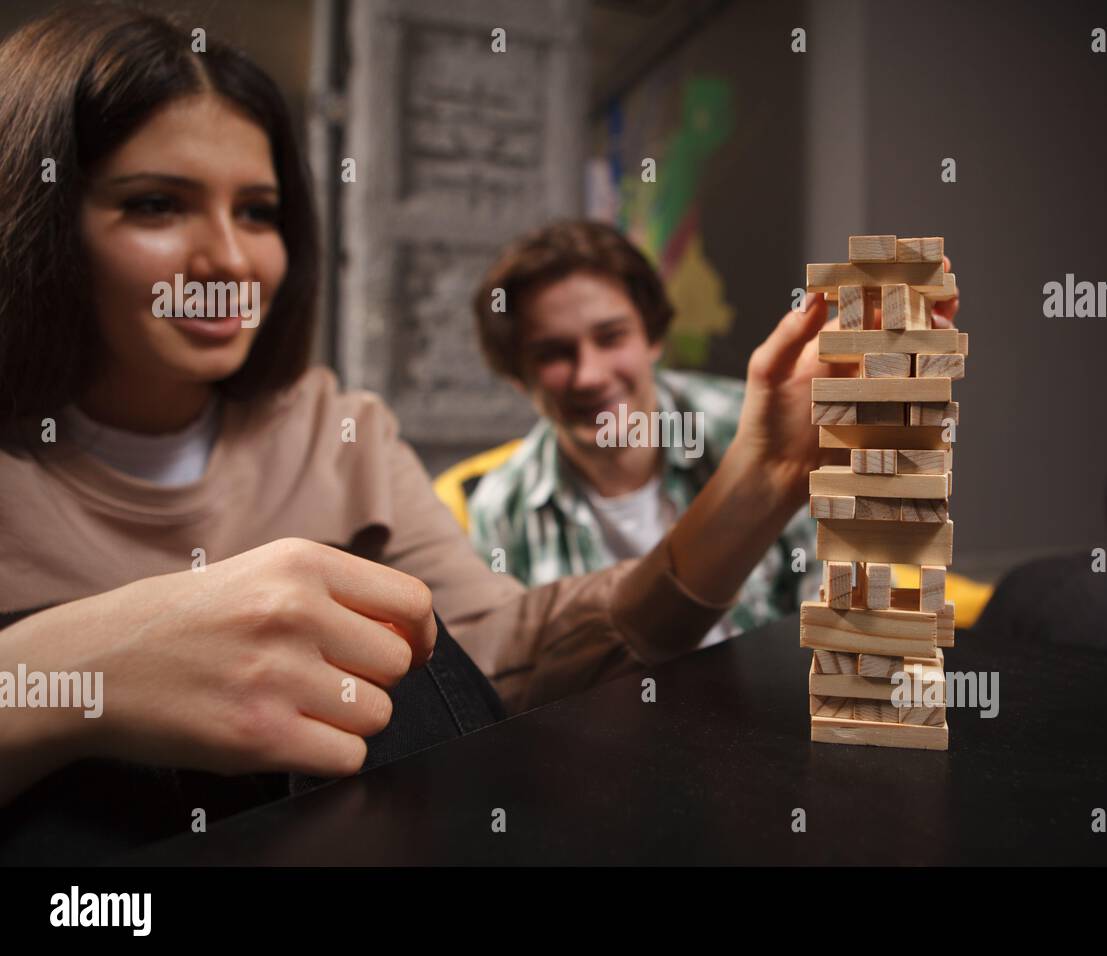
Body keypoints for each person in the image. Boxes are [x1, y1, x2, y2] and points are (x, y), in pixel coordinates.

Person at [0, 5, 846, 860]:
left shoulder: (343, 432)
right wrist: (92, 667)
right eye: (156, 204)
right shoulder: (505, 494)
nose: (229, 260)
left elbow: (501, 657)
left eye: (257, 212)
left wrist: (761, 477)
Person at [453, 222, 962, 644]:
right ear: (517, 376)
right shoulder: (500, 507)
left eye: (611, 337)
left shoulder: (751, 420)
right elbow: (520, 685)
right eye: (553, 353)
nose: (589, 375)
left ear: (652, 337)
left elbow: (837, 618)